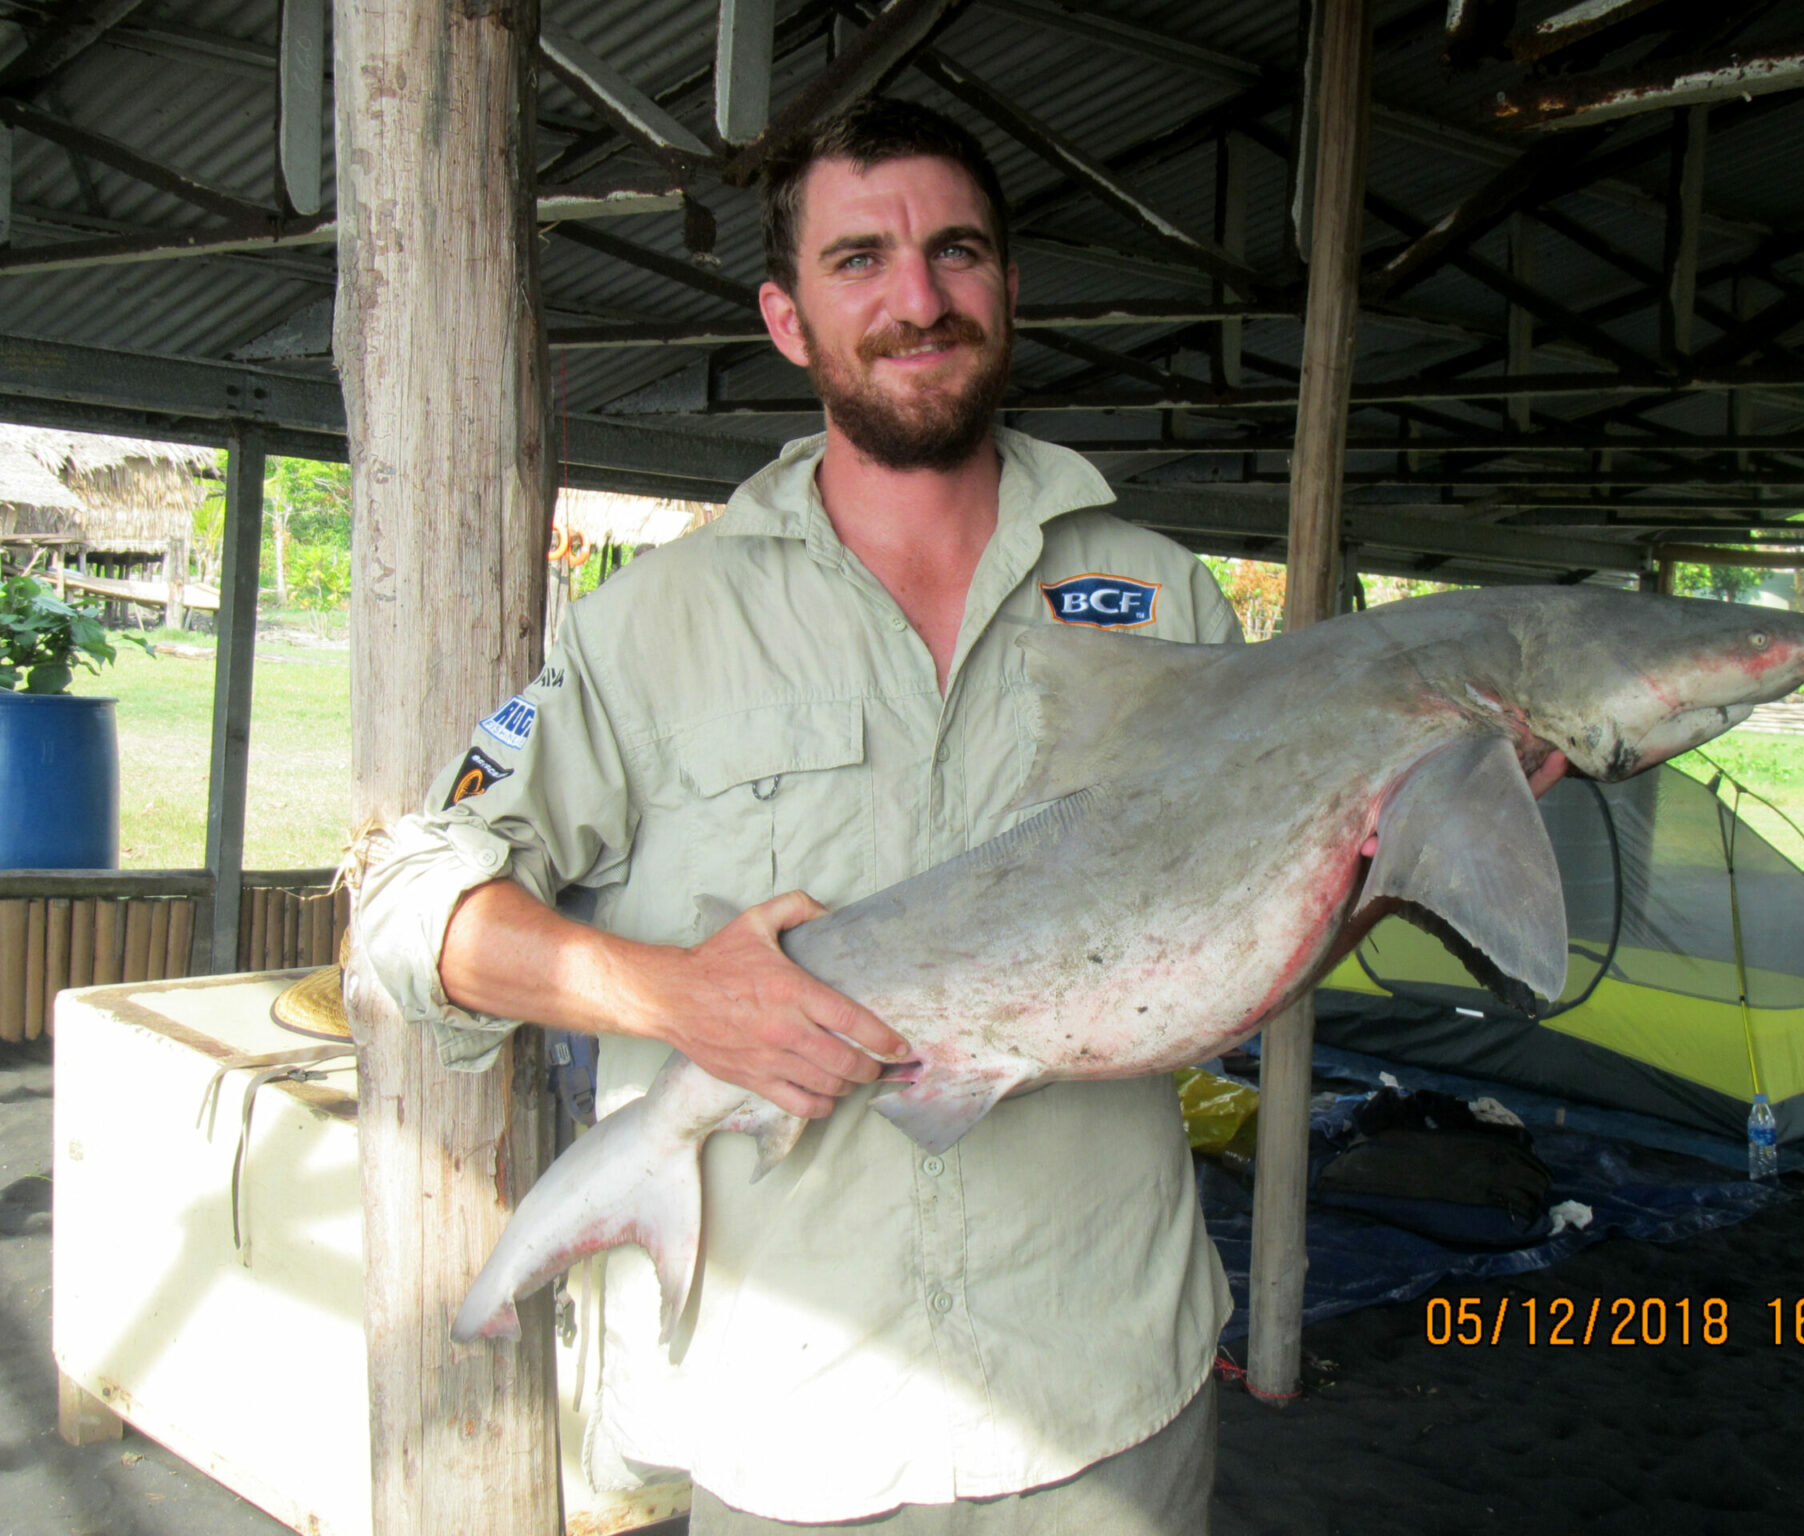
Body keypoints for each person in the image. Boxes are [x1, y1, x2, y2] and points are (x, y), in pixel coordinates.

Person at [359, 98, 1243, 1532]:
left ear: (1008, 288)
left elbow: (1253, 906)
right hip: (790, 1428)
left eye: (956, 252)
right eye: (859, 261)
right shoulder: (654, 626)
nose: (917, 297)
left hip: (1105, 1394)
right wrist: (667, 994)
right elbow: (403, 902)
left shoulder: (1164, 600)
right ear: (787, 319)